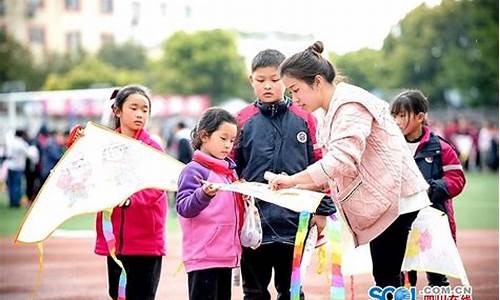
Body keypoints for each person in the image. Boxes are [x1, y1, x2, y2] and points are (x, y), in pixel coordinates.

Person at [269, 41, 430, 288]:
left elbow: (342, 160)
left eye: (296, 90)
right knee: (387, 275)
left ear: (318, 81)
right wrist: (301, 188)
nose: (294, 99)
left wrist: (294, 179)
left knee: (387, 276)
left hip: (396, 197)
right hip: (387, 196)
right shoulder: (328, 111)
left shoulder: (349, 105)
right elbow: (333, 166)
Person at [232, 49, 336, 300]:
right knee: (254, 292)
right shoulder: (242, 119)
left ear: (287, 79)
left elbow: (322, 166)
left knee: (291, 291)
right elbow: (233, 168)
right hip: (254, 225)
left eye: (275, 79)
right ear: (251, 80)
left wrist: (322, 211)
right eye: (260, 80)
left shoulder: (306, 118)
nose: (268, 85)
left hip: (296, 223)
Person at [66, 85, 167, 300]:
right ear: (117, 111)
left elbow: (158, 186)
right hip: (114, 239)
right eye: (134, 108)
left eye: (145, 109)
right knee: (117, 295)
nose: (140, 114)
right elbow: (84, 172)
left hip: (145, 241)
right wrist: (77, 146)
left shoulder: (152, 147)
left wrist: (129, 199)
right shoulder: (105, 145)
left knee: (140, 295)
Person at [390, 90, 466, 286]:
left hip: (433, 220)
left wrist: (430, 189)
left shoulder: (441, 148)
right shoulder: (390, 146)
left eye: (402, 115)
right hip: (401, 220)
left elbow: (456, 179)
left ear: (420, 117)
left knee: (437, 278)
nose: (396, 121)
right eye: (394, 115)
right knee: (404, 278)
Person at [176, 107, 243, 300]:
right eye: (223, 138)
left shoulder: (229, 173)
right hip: (204, 256)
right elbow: (183, 207)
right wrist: (203, 194)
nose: (228, 145)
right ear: (204, 136)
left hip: (225, 255)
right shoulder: (194, 170)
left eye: (232, 140)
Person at [5, 129, 38, 207]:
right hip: (18, 167)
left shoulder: (11, 142)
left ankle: (12, 201)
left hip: (10, 165)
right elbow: (29, 153)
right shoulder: (21, 143)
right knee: (17, 185)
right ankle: (16, 202)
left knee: (11, 185)